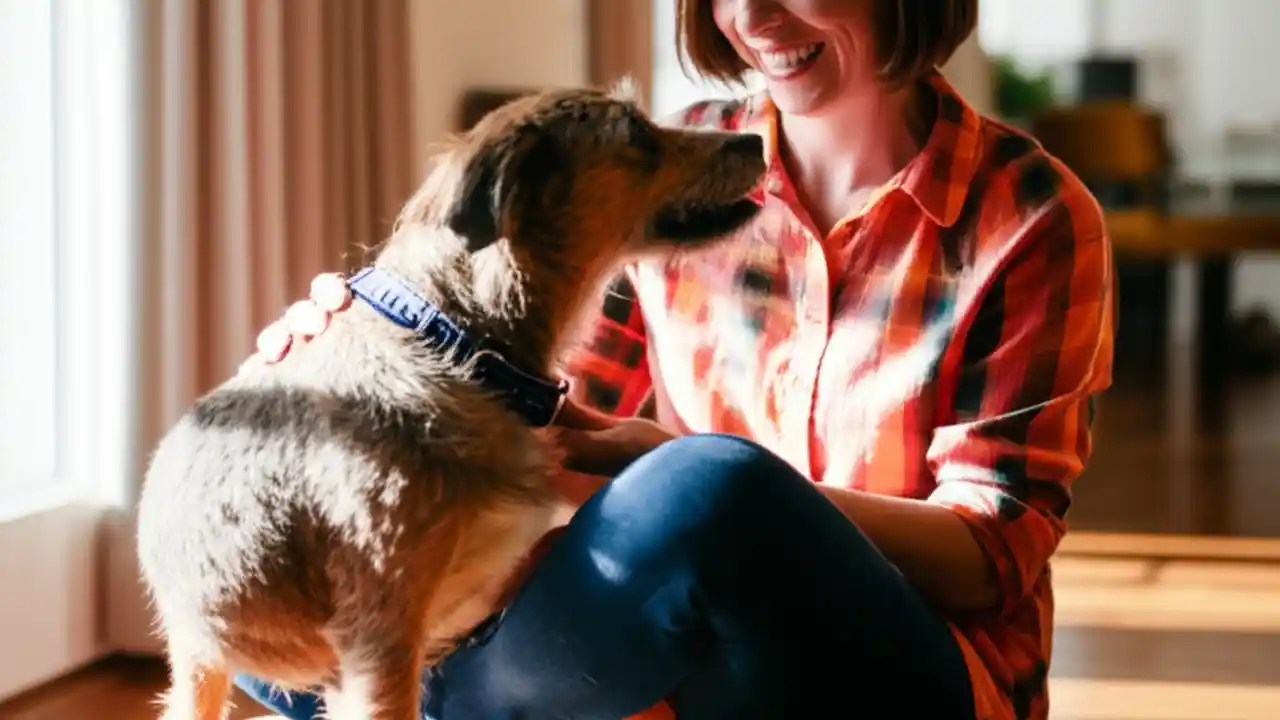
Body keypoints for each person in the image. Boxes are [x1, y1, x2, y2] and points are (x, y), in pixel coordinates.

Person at [235, 1, 1114, 718]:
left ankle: (423, 702)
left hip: (915, 671)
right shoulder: (667, 163)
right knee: (262, 553)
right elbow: (547, 437)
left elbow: (992, 556)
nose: (753, 17)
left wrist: (713, 480)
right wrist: (353, 363)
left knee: (712, 491)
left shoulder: (1030, 215)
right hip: (691, 649)